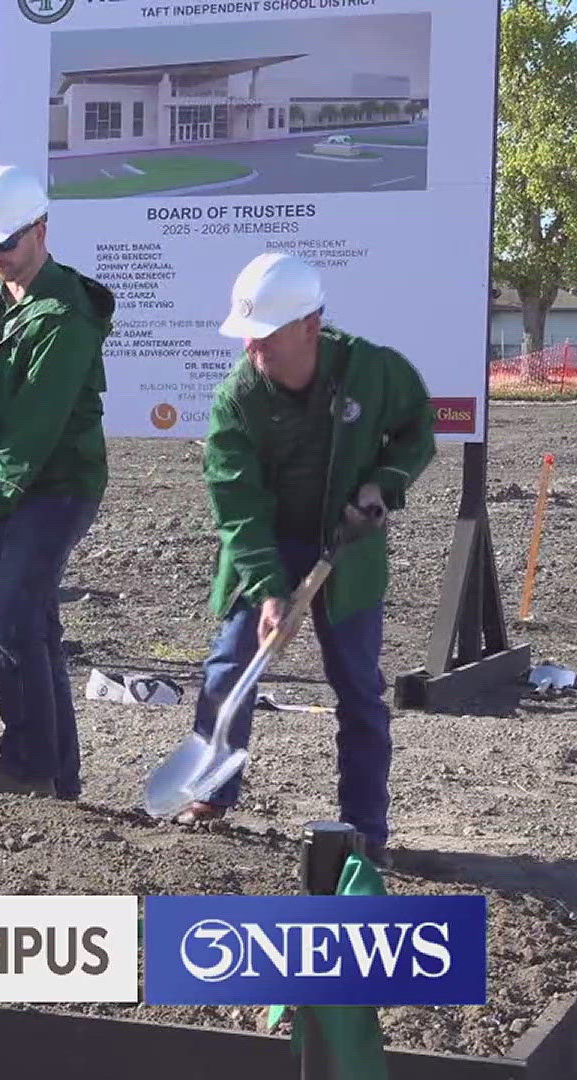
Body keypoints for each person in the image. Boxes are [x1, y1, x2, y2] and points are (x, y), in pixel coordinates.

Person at [175, 252, 435, 867]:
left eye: (265, 337)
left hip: (349, 548)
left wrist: (383, 483)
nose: (252, 349)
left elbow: (416, 429)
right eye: (247, 336)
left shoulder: (373, 370)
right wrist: (268, 590)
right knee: (228, 667)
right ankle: (212, 791)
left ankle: (365, 828)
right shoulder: (237, 398)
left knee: (359, 689)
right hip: (267, 542)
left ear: (310, 327)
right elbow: (237, 506)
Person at [0, 164, 114, 801]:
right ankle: (57, 775)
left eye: (6, 245)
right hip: (6, 480)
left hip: (59, 483)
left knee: (12, 611)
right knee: (32, 622)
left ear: (40, 231)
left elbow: (35, 431)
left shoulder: (65, 315)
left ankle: (25, 766)